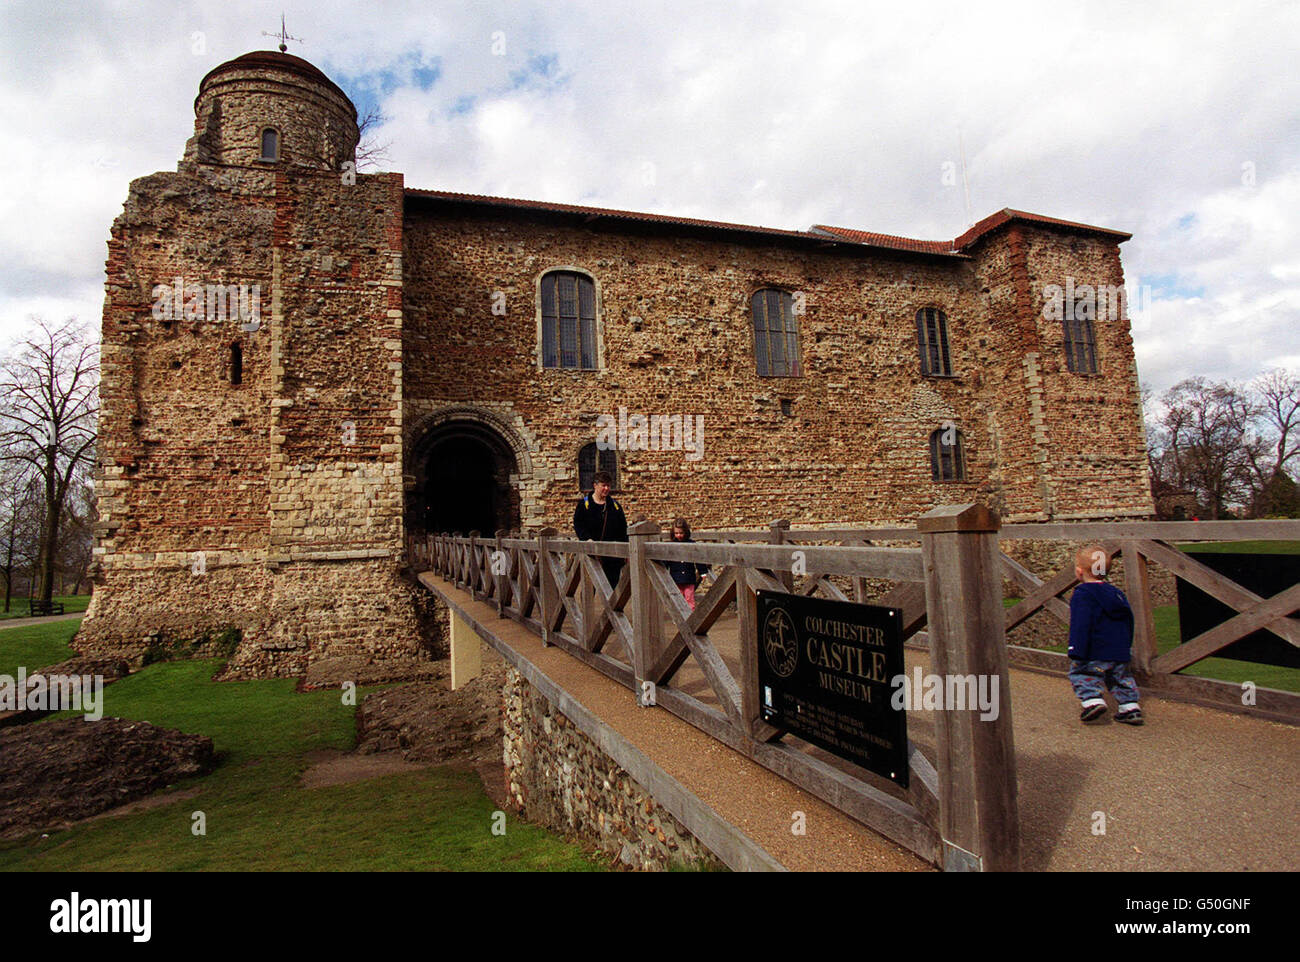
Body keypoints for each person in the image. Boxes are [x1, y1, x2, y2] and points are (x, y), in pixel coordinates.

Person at [1068, 544, 1143, 725]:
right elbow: (1128, 620)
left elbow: (1081, 624)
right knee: (1121, 678)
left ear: (1079, 572)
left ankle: (1092, 701)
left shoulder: (1082, 594)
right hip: (1119, 650)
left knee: (1083, 674)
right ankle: (1130, 708)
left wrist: (1075, 648)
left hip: (1094, 649)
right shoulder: (1116, 593)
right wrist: (1126, 645)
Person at [573, 471, 627, 590]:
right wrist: (587, 539)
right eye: (603, 485)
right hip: (592, 556)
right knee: (588, 591)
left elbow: (623, 529)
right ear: (595, 485)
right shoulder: (584, 505)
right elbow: (578, 525)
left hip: (613, 557)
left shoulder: (615, 506)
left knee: (613, 592)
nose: (606, 488)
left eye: (608, 485)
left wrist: (625, 551)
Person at [666, 518, 709, 611]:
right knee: (678, 599)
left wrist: (703, 571)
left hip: (689, 578)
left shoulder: (691, 544)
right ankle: (679, 617)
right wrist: (664, 571)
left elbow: (698, 558)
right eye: (676, 533)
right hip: (675, 578)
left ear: (686, 532)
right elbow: (666, 560)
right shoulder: (671, 545)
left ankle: (690, 616)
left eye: (681, 533)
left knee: (689, 598)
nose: (679, 535)